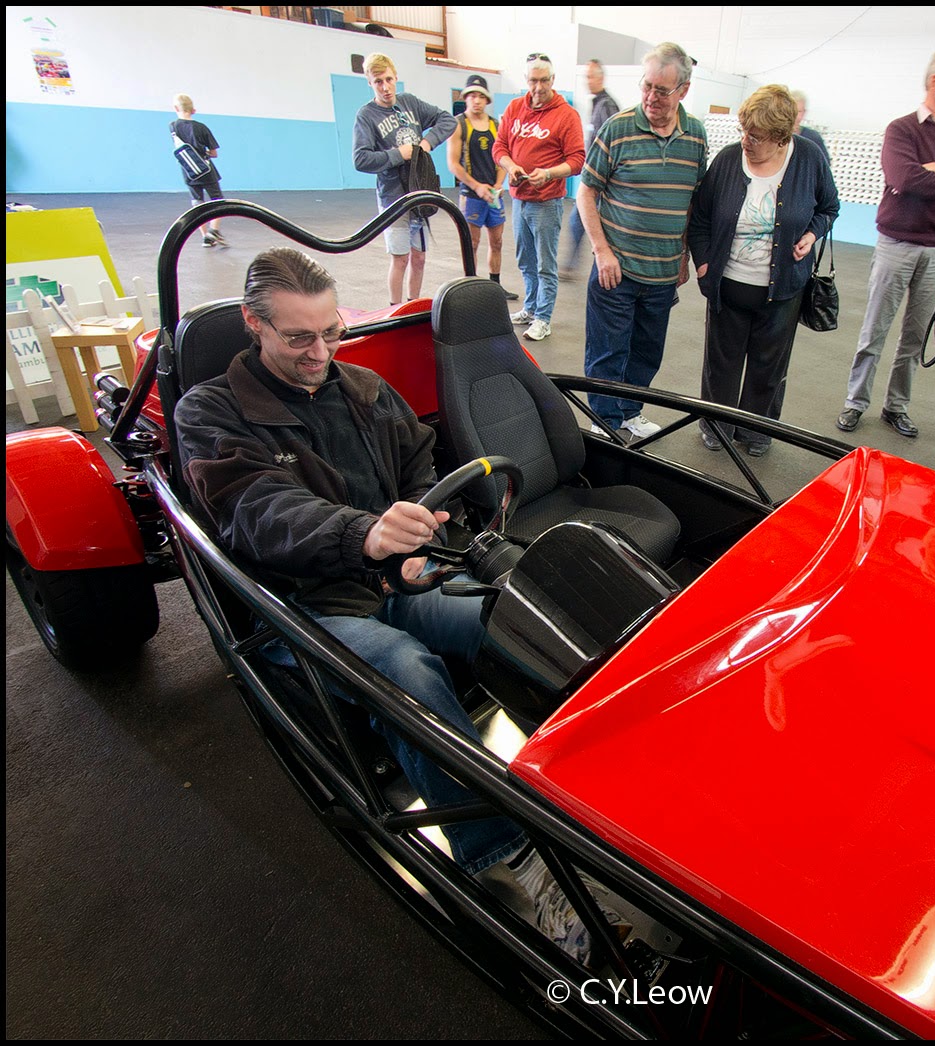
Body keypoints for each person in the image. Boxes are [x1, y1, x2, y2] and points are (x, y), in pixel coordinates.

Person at [174, 247, 613, 962]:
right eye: (297, 338)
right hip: (304, 601)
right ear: (255, 325)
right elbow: (258, 511)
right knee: (405, 672)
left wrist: (418, 532)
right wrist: (365, 534)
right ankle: (511, 862)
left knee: (518, 616)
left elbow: (419, 463)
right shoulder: (213, 412)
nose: (320, 352)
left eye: (331, 332)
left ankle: (596, 783)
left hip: (398, 578)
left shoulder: (367, 388)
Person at [836, 46, 935, 439]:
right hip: (896, 243)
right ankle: (855, 402)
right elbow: (905, 179)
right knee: (875, 331)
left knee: (916, 334)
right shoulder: (902, 129)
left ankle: (897, 406)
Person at [688, 85, 839, 456]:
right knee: (720, 364)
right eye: (744, 132)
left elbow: (828, 207)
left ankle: (757, 431)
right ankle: (716, 425)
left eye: (756, 136)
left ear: (781, 137)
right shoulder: (726, 161)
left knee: (768, 366)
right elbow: (701, 217)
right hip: (729, 284)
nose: (746, 142)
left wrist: (811, 233)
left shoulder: (809, 159)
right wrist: (704, 262)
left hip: (784, 288)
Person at [576, 42, 707, 442]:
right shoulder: (618, 127)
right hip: (616, 267)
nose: (651, 97)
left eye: (662, 90)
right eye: (646, 86)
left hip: (663, 272)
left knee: (647, 352)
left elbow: (692, 201)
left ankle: (630, 412)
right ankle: (604, 423)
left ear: (683, 90)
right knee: (607, 352)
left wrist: (683, 255)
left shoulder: (695, 137)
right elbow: (586, 192)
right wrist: (602, 251)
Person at [492, 53, 585, 342]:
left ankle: (544, 318)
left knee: (546, 264)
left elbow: (578, 160)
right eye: (533, 80)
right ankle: (530, 308)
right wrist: (511, 166)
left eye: (544, 80)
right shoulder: (515, 108)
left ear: (553, 81)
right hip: (519, 199)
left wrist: (550, 173)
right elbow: (500, 146)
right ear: (526, 81)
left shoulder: (566, 115)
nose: (538, 86)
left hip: (547, 203)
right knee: (525, 260)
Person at [353, 52, 456, 305]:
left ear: (396, 77)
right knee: (400, 259)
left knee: (419, 258)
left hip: (418, 192)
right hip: (393, 198)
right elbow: (361, 159)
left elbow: (448, 119)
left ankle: (412, 306)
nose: (386, 87)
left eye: (389, 79)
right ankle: (395, 311)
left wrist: (427, 143)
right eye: (378, 82)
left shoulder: (410, 103)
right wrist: (399, 154)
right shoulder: (366, 115)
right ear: (370, 83)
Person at [446, 74, 518, 301]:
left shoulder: (497, 125)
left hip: (493, 195)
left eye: (480, 97)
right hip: (472, 195)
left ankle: (495, 286)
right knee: (472, 243)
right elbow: (453, 164)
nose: (476, 101)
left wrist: (498, 185)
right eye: (472, 96)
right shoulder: (459, 125)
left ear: (487, 100)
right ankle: (471, 289)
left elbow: (503, 157)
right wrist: (477, 187)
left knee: (497, 241)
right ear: (466, 98)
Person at [562, 59, 619, 276]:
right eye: (586, 76)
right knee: (579, 221)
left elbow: (611, 145)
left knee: (580, 220)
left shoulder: (607, 106)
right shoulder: (597, 103)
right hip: (595, 177)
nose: (588, 81)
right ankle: (573, 263)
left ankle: (587, 263)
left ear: (601, 78)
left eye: (591, 76)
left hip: (601, 180)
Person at [170, 94, 226, 248]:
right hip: (206, 169)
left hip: (188, 171)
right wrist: (204, 154)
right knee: (217, 199)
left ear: (176, 108)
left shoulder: (173, 127)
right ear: (193, 109)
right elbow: (214, 153)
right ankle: (213, 231)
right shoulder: (201, 127)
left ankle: (205, 238)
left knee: (197, 203)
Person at [789, 89, 831, 166]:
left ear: (804, 112)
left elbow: (824, 166)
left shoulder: (813, 137)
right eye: (792, 110)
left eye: (799, 111)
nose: (794, 116)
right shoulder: (773, 138)